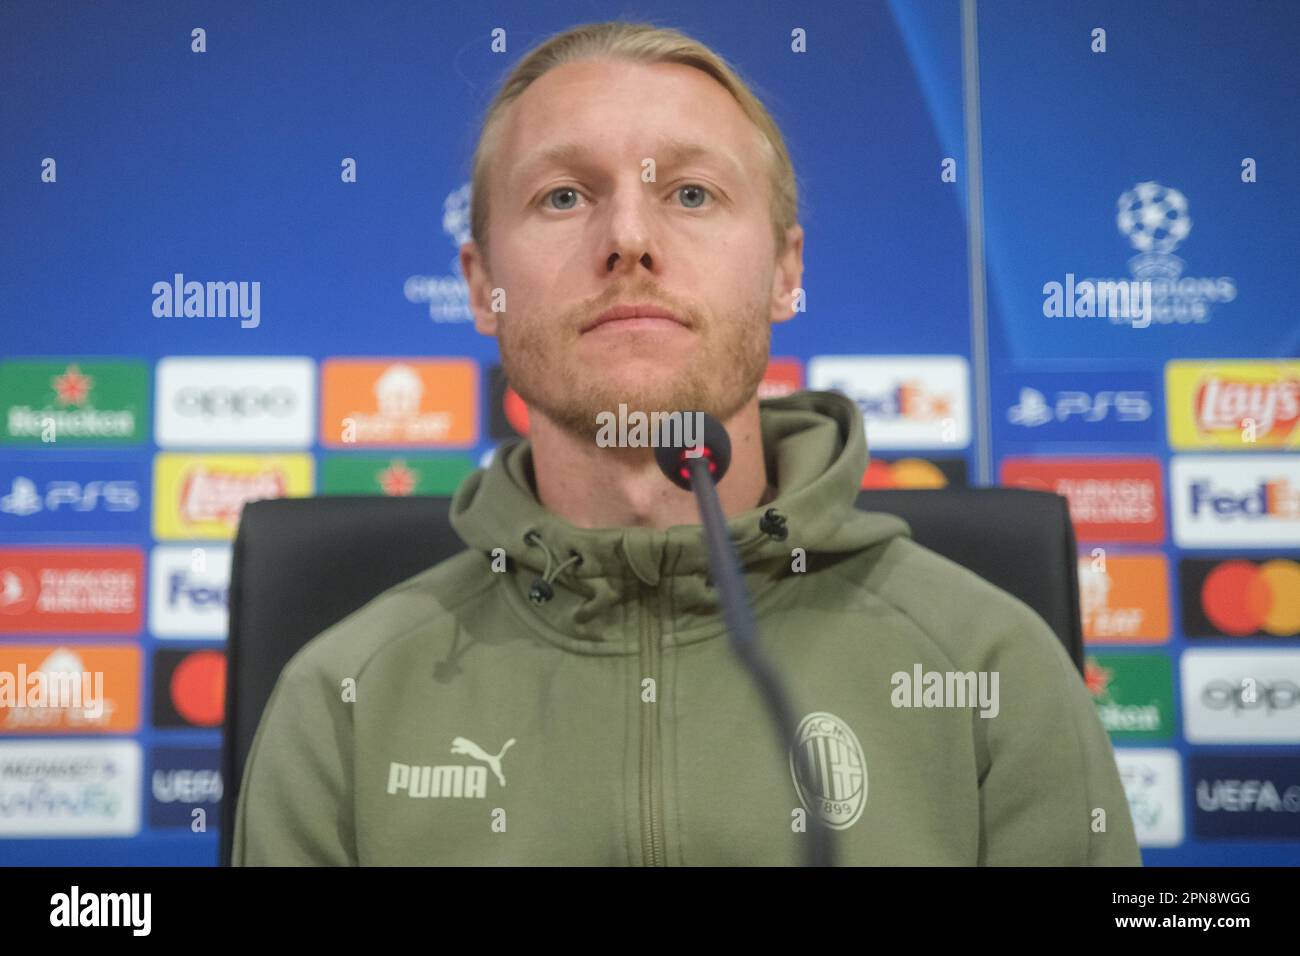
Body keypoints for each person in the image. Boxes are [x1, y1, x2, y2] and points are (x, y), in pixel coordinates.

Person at [232, 20, 1141, 866]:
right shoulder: (339, 703)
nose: (629, 239)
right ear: (481, 286)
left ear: (786, 272)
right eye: (562, 196)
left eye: (692, 194)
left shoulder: (991, 670)